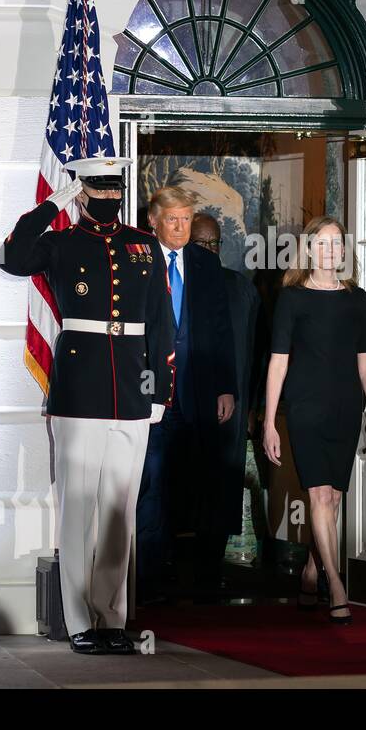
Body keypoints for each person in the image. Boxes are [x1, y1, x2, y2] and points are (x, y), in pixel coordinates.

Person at [0, 156, 175, 656]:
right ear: (83, 192)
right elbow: (11, 257)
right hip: (79, 390)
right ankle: (79, 621)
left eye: (115, 187)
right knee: (78, 507)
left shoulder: (143, 245)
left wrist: (157, 388)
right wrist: (52, 203)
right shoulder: (62, 242)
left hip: (132, 391)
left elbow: (161, 323)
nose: (110, 196)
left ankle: (111, 618)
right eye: (98, 189)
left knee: (119, 509)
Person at [262, 215, 366, 625]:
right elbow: (278, 362)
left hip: (346, 407)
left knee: (333, 499)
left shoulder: (358, 298)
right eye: (323, 243)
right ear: (310, 249)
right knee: (318, 496)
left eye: (337, 243)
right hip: (305, 407)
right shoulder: (293, 298)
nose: (330, 250)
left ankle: (313, 570)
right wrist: (268, 422)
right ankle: (336, 583)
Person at [136, 187, 237, 602]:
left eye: (187, 220)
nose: (181, 228)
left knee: (195, 482)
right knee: (151, 484)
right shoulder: (136, 259)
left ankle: (194, 577)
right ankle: (147, 580)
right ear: (154, 221)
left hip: (197, 394)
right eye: (173, 220)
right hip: (150, 393)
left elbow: (219, 329)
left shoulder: (204, 263)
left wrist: (225, 386)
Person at [191, 212, 262, 561]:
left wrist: (252, 406)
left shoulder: (241, 288)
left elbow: (258, 350)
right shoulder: (173, 286)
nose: (206, 250)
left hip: (232, 407)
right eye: (199, 243)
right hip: (187, 407)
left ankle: (211, 568)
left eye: (212, 243)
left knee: (223, 486)